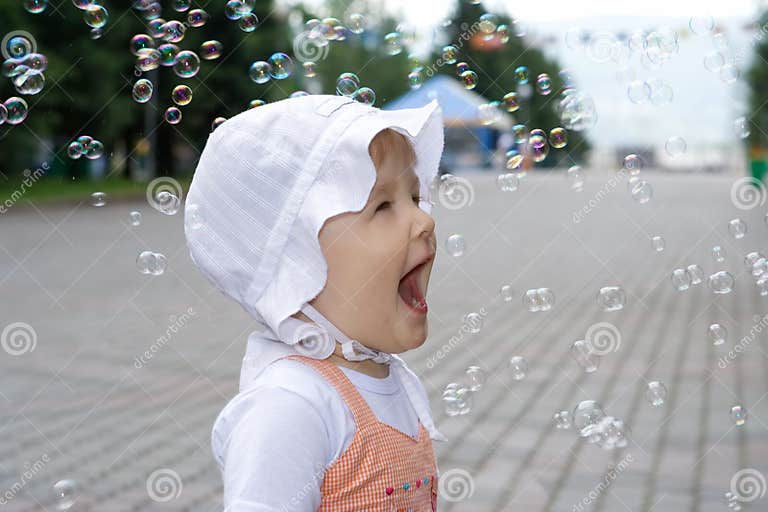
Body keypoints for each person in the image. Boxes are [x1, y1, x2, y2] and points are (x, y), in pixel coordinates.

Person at [184, 93, 448, 511]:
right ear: (297, 265)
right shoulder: (291, 408)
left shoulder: (394, 383)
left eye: (415, 198)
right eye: (382, 206)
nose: (425, 219)